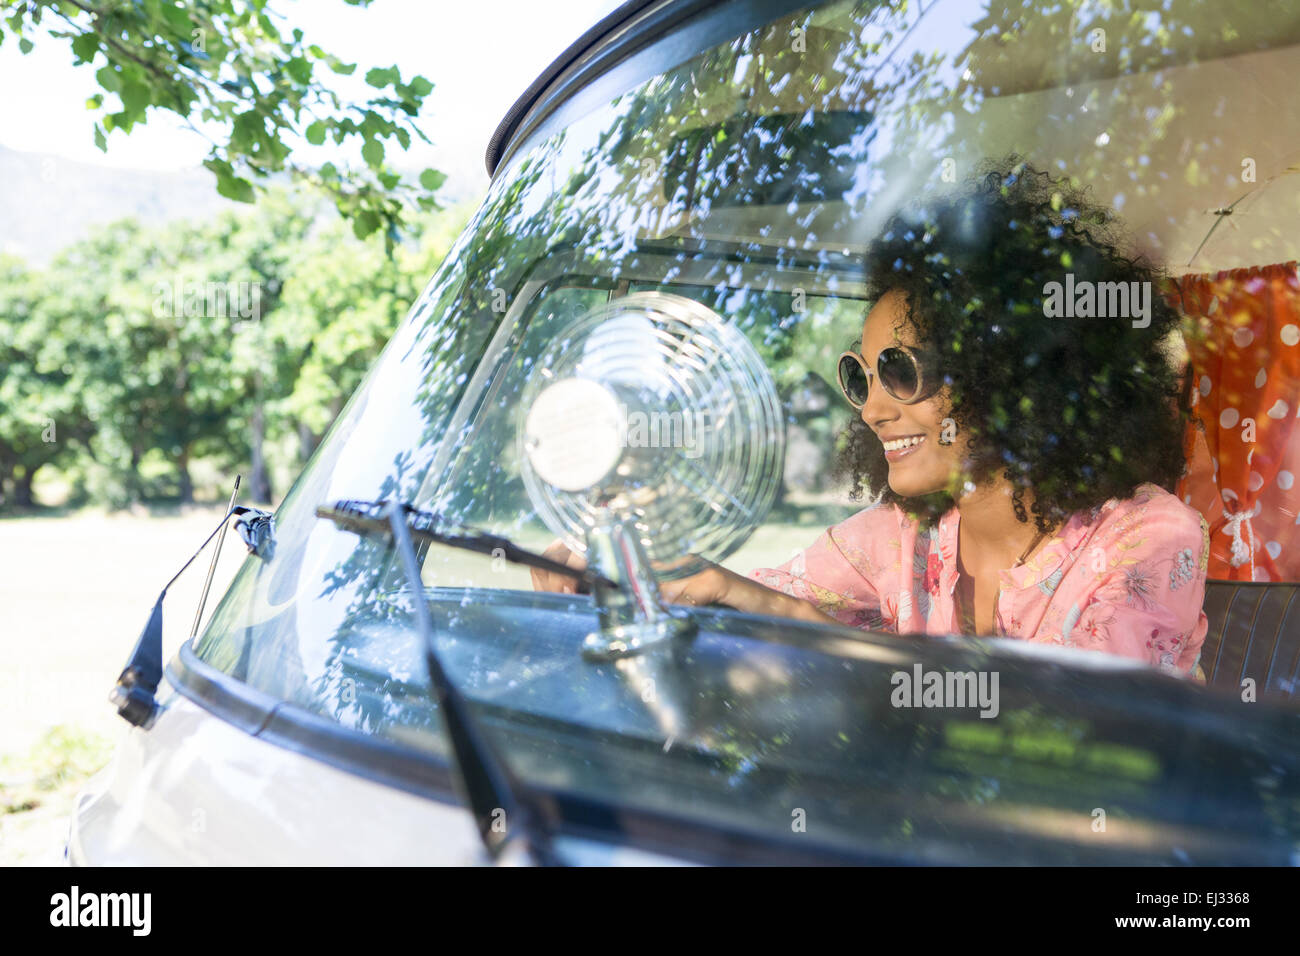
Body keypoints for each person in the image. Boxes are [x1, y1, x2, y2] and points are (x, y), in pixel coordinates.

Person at [533, 160, 1209, 676]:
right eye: (860, 374)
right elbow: (746, 600)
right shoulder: (901, 536)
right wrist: (630, 567)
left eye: (902, 371)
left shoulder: (1148, 539)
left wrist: (807, 630)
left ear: (1015, 375)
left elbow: (1074, 737)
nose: (872, 408)